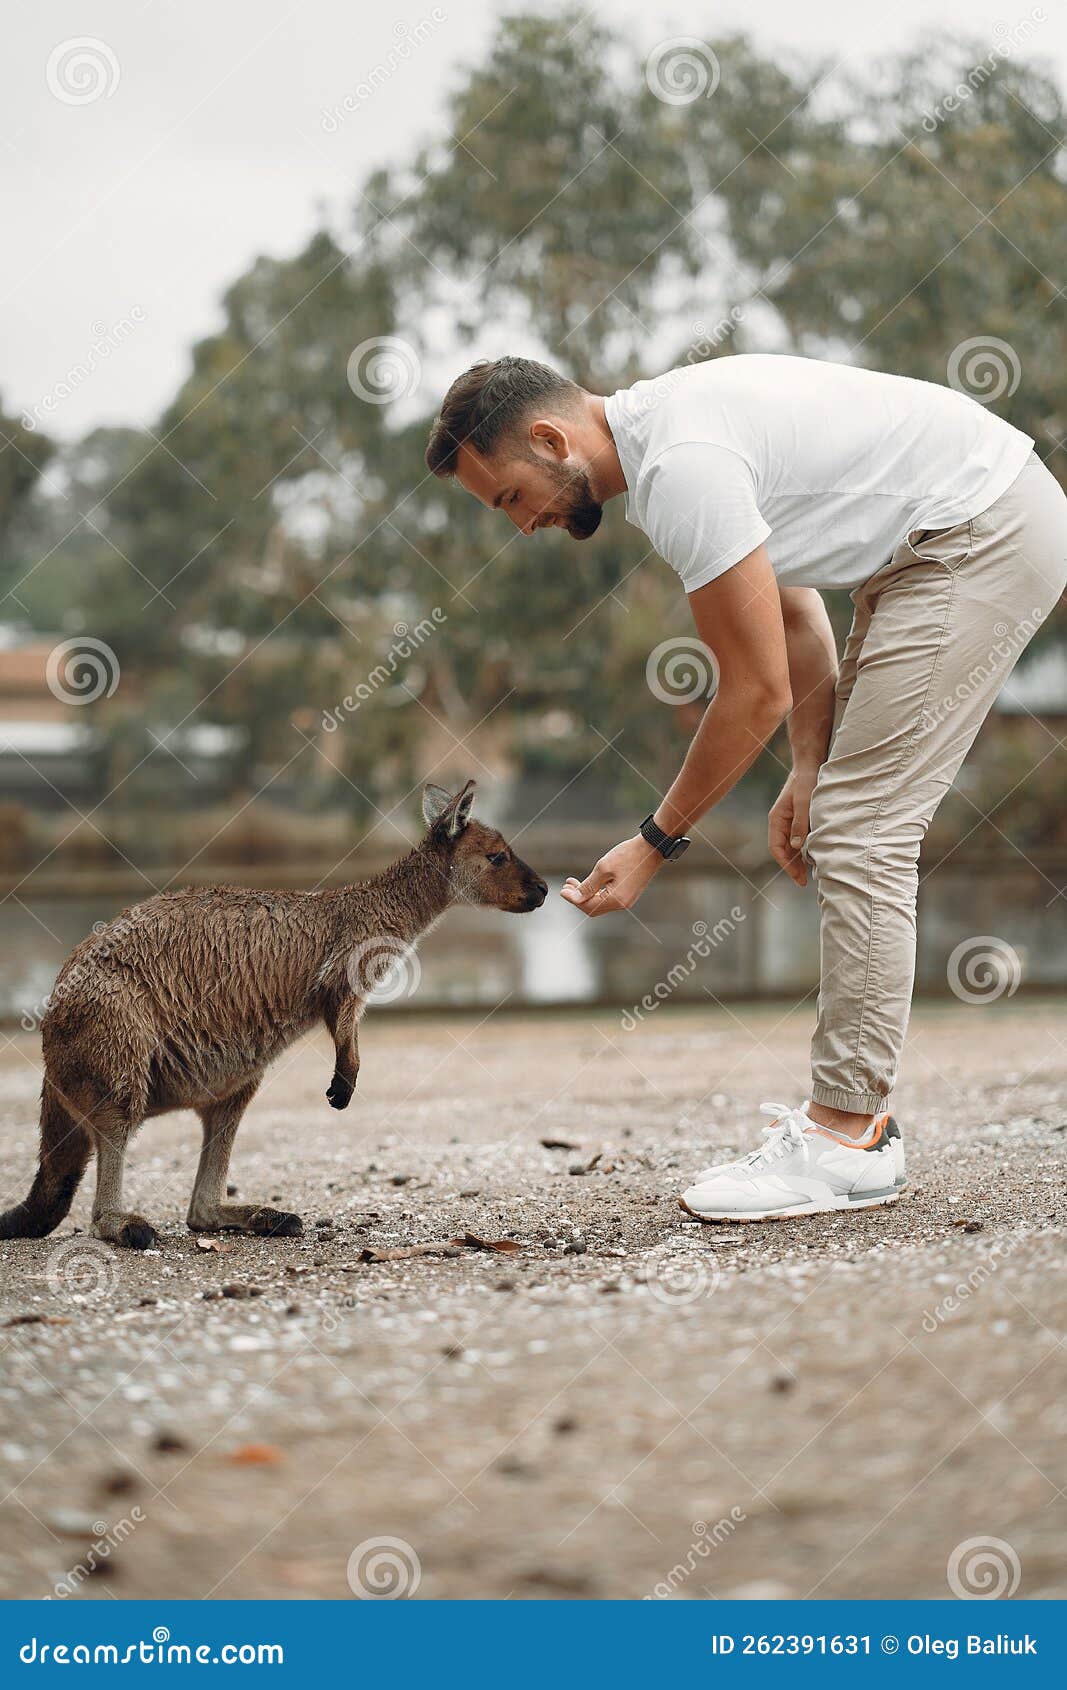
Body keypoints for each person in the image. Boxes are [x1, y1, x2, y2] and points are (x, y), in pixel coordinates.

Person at [424, 352, 1067, 1221]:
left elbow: (754, 690)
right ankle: (851, 1132)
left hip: (976, 531)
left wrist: (654, 842)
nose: (520, 524)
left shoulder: (680, 465)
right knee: (845, 813)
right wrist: (808, 767)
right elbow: (795, 612)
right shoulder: (672, 446)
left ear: (549, 439)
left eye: (508, 497)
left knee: (864, 832)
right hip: (939, 538)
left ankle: (847, 1140)